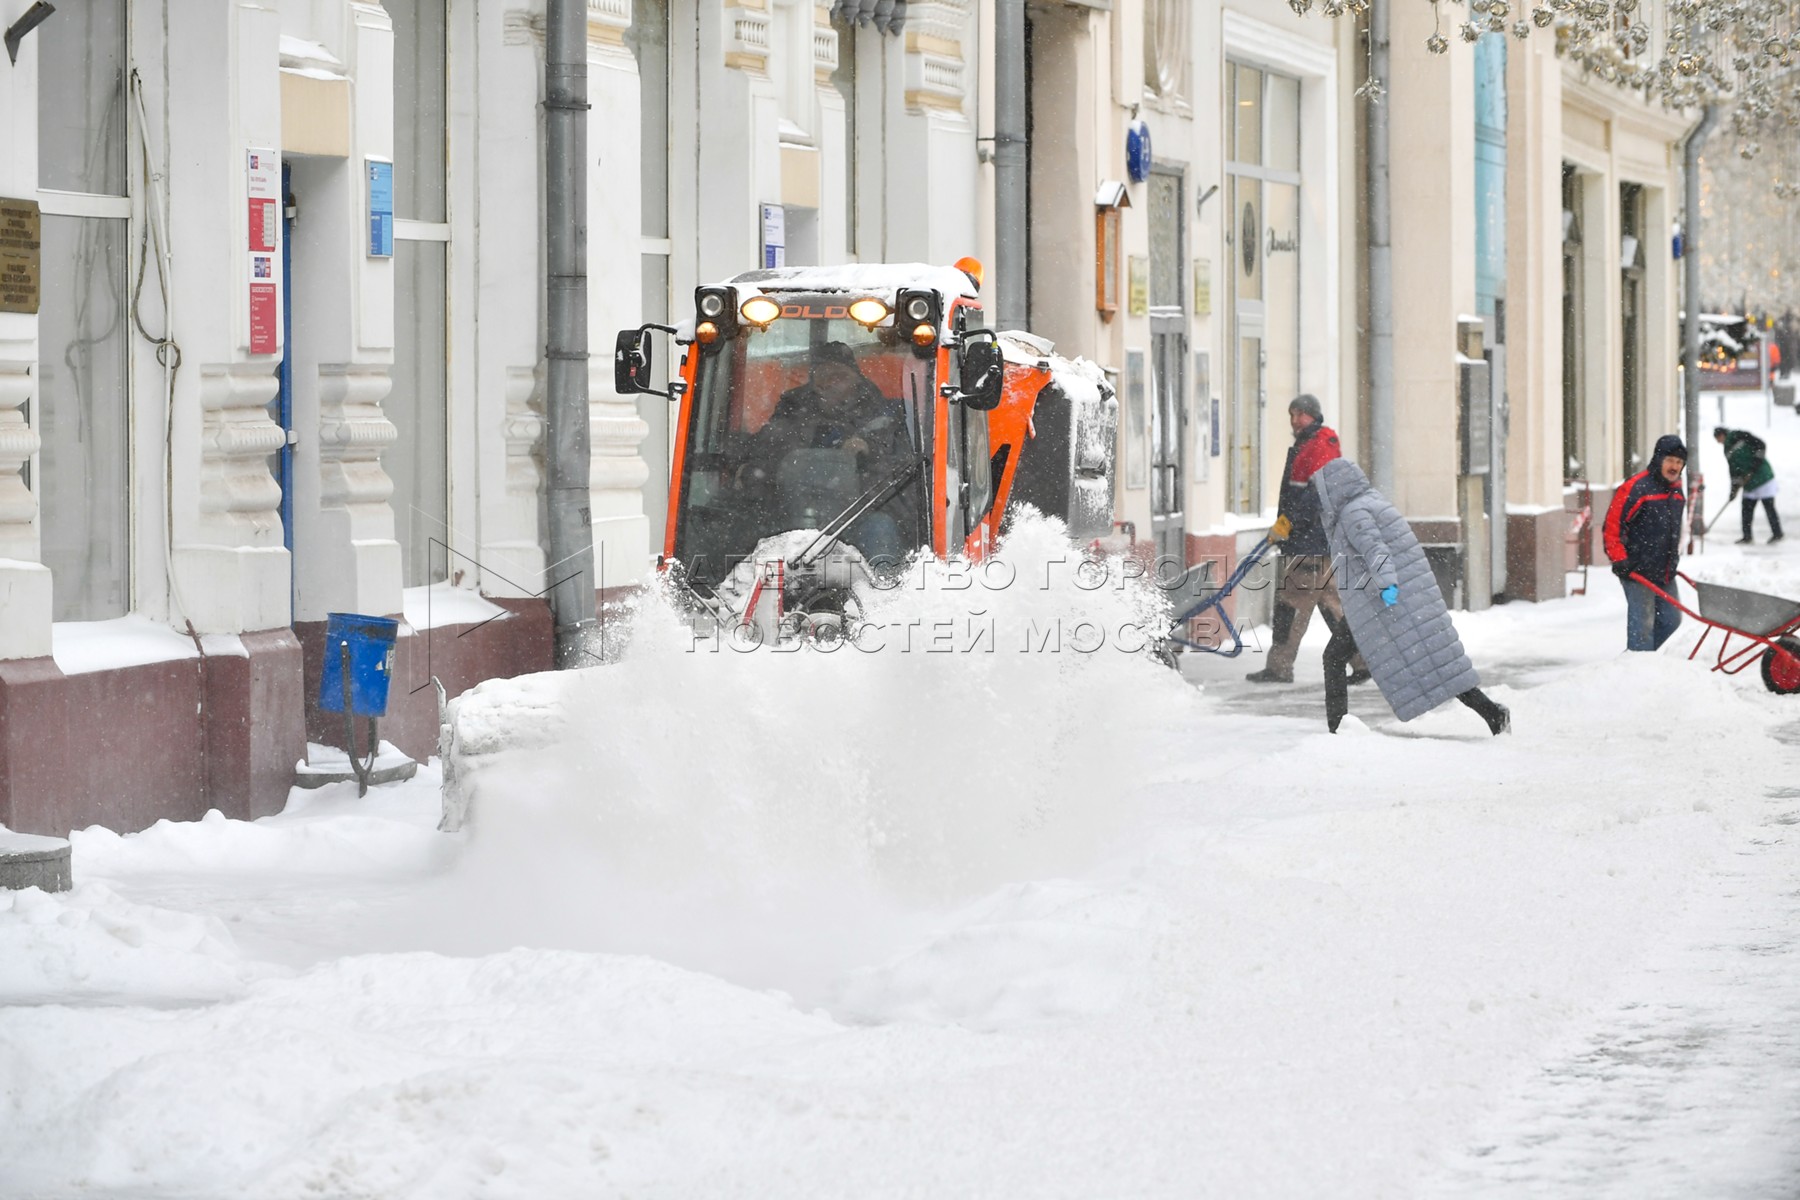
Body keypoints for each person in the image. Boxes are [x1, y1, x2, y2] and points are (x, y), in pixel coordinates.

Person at [1311, 457, 1510, 736]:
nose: (1319, 499)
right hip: (1378, 602)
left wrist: (1386, 584)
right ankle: (1492, 712)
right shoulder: (1368, 503)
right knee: (1435, 662)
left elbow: (1376, 551)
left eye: (1321, 491)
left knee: (1336, 657)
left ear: (1334, 488)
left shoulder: (1354, 513)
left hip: (1379, 602)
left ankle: (1338, 728)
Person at [738, 341, 912, 559]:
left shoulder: (885, 415)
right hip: (789, 513)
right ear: (814, 382)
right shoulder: (791, 413)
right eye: (824, 375)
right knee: (741, 525)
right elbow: (763, 453)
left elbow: (905, 469)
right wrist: (748, 467)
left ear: (856, 378)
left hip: (860, 513)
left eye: (839, 375)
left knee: (881, 528)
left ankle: (884, 589)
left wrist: (869, 451)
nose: (831, 383)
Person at [1245, 394, 1371, 686]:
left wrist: (1290, 523)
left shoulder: (1319, 446)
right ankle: (1362, 662)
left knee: (1291, 604)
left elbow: (1316, 495)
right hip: (1315, 540)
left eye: (1300, 414)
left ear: (1314, 416)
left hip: (1310, 541)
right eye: (1292, 414)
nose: (1294, 420)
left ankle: (1279, 667)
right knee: (1332, 604)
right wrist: (1285, 524)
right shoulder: (1309, 444)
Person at [1603, 434, 1689, 651]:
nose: (1674, 466)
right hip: (1636, 568)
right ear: (1658, 459)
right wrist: (1620, 559)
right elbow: (1612, 526)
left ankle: (1639, 661)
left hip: (1664, 570)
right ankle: (1636, 667)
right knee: (1642, 627)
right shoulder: (1637, 487)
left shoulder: (1677, 491)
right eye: (1670, 460)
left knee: (1671, 621)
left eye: (1679, 463)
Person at [1715, 426, 1784, 545]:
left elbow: (1761, 445)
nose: (1718, 442)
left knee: (1768, 507)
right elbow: (1734, 470)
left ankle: (1777, 533)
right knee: (1746, 509)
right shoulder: (1727, 450)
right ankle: (1747, 536)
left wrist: (1753, 468)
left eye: (1718, 438)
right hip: (1749, 484)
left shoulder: (1739, 435)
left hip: (1763, 478)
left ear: (1722, 435)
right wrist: (1734, 489)